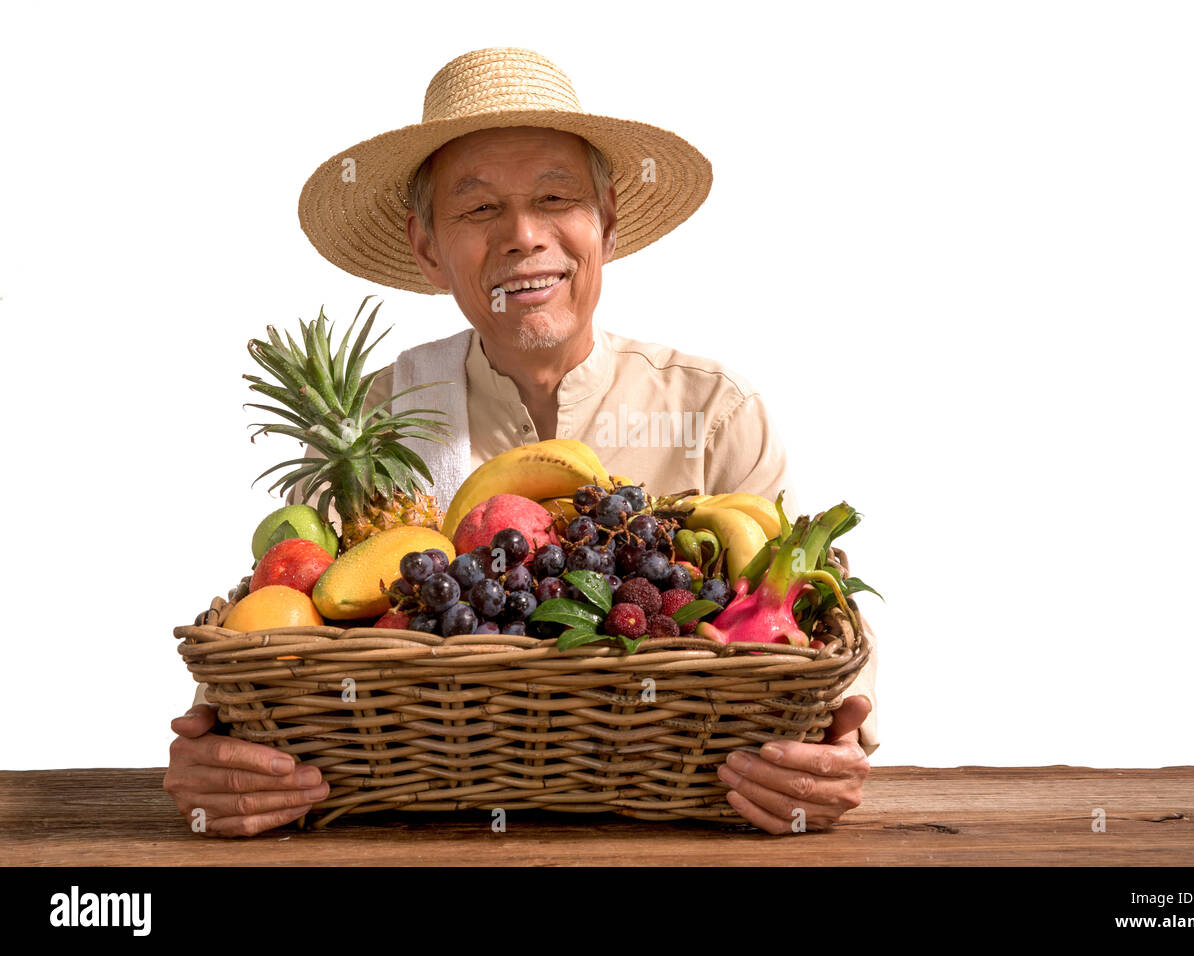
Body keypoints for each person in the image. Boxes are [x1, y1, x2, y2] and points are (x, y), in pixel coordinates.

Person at [166, 48, 877, 837]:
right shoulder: (373, 429)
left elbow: (812, 631)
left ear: (604, 222)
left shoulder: (715, 413)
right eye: (478, 210)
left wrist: (835, 746)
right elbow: (282, 636)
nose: (524, 236)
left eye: (556, 197)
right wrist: (225, 751)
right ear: (428, 246)